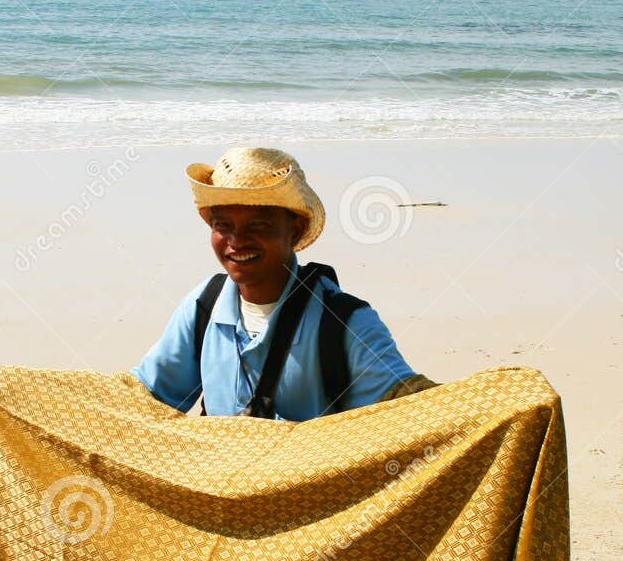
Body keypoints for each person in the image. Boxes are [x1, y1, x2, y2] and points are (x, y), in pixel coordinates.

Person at [133, 146, 416, 420]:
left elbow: (410, 412)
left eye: (258, 225)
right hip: (219, 468)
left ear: (294, 231)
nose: (237, 241)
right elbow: (145, 397)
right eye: (223, 225)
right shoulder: (203, 306)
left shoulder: (346, 323)